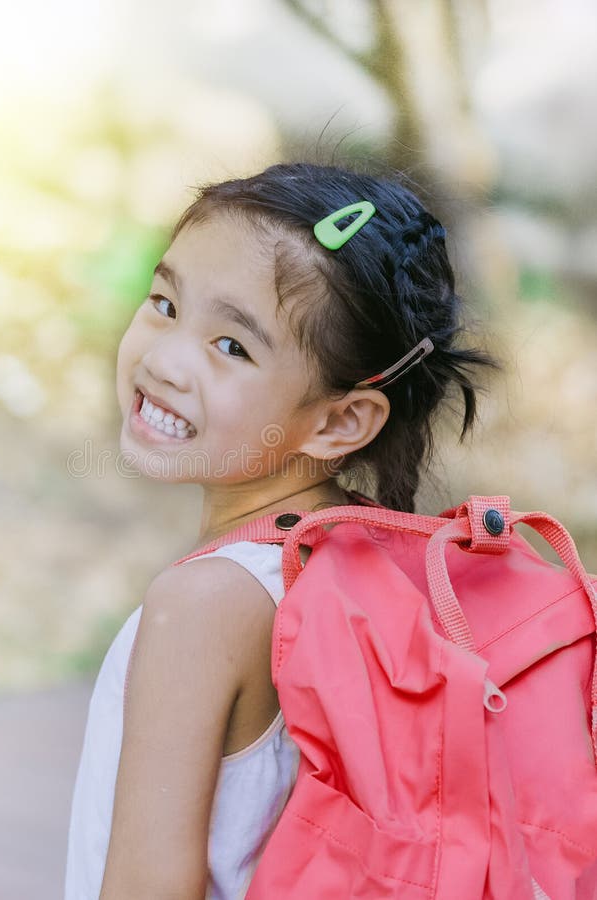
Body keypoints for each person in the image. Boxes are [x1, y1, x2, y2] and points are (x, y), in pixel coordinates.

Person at [64, 162, 496, 899]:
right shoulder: (370, 564)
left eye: (231, 346)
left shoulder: (202, 606)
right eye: (165, 302)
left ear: (340, 421)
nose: (164, 358)